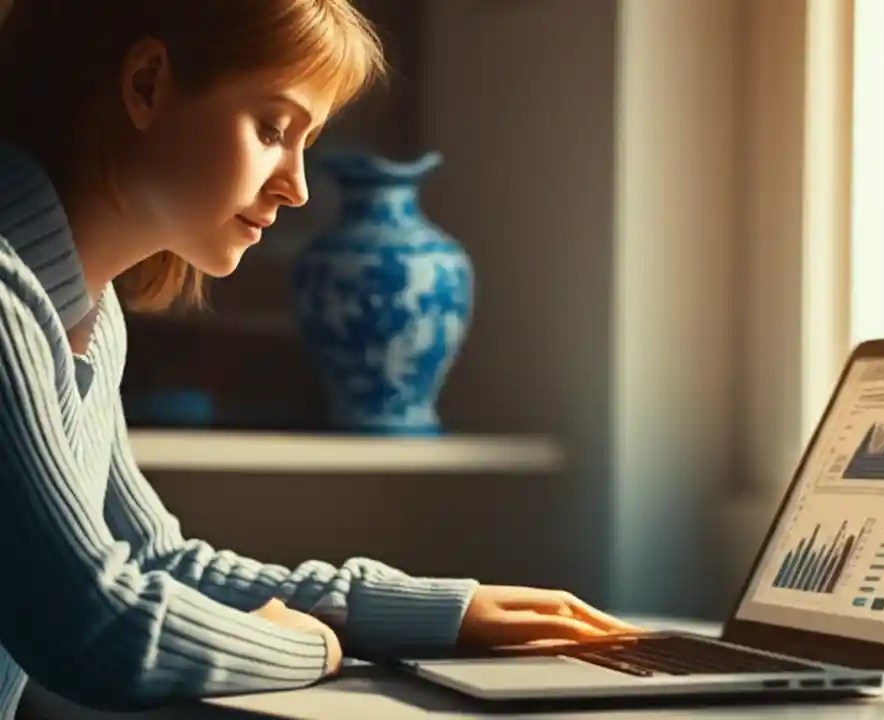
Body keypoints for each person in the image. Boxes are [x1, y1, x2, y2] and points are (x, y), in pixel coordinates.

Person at [0, 1, 637, 716]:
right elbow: (89, 625)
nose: (297, 187)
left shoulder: (89, 313)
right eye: (274, 129)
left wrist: (439, 611)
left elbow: (152, 563)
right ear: (146, 84)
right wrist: (306, 647)